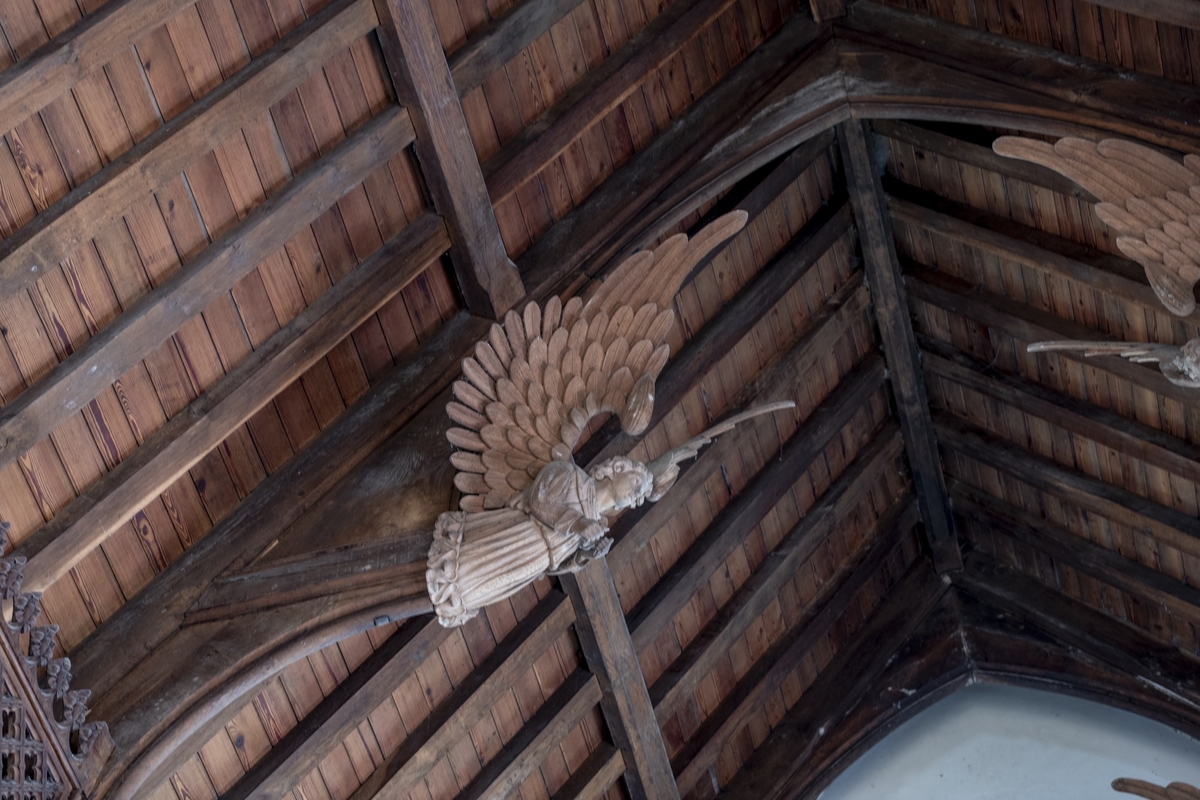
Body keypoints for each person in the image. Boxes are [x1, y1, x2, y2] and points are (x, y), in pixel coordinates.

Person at [426, 454, 653, 627]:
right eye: (636, 484)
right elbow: (540, 501)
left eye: (640, 496)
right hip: (516, 536)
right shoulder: (570, 475)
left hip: (529, 564)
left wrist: (586, 555)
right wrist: (577, 523)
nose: (637, 495)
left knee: (467, 595)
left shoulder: (593, 525)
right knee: (457, 572)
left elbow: (557, 566)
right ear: (617, 469)